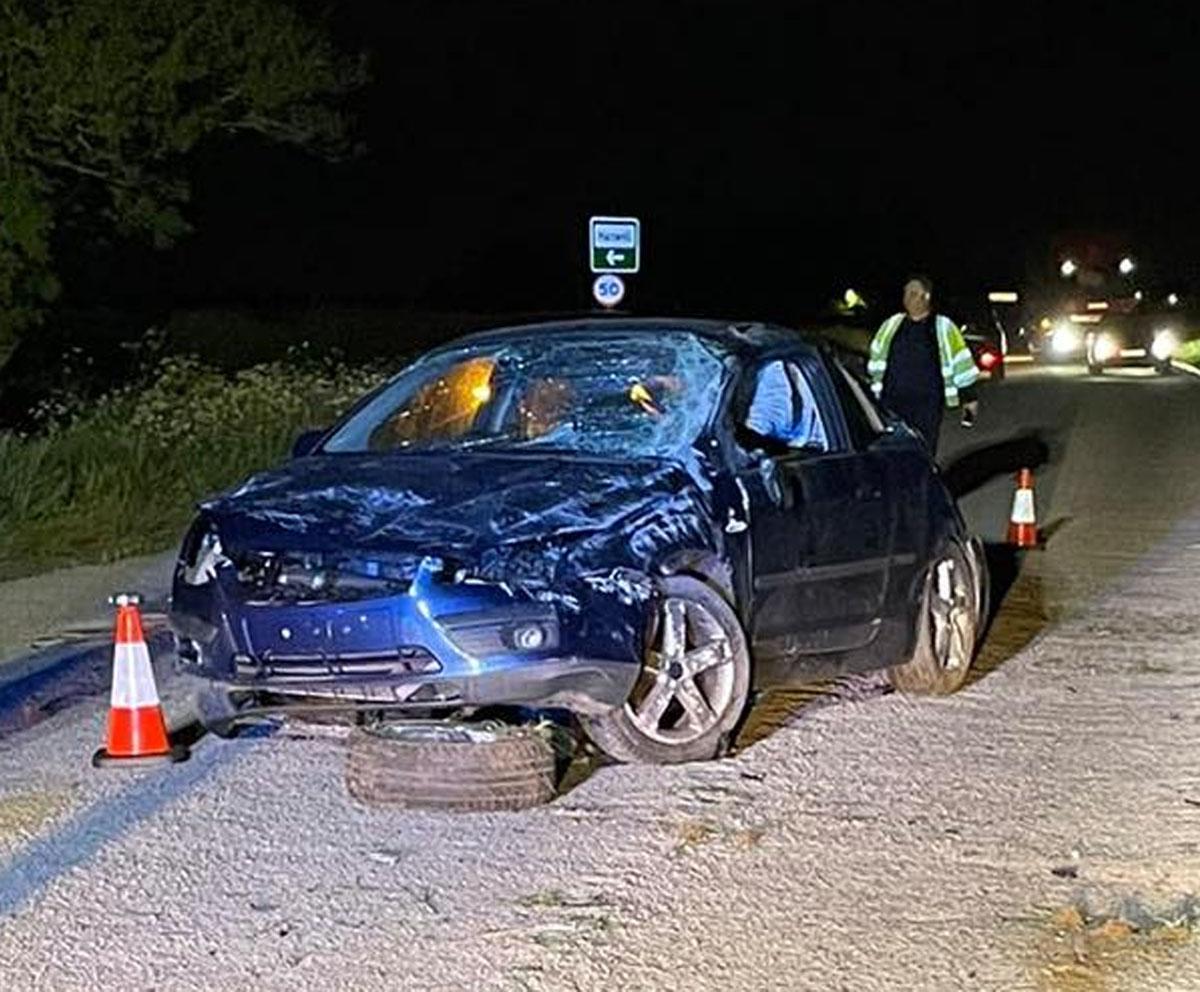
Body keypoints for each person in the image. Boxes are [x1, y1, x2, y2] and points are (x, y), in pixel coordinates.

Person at [867, 275, 979, 452]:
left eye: (913, 293)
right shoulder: (891, 324)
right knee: (892, 449)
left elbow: (962, 363)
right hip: (892, 401)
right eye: (906, 293)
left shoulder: (944, 327)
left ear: (926, 296)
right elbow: (875, 358)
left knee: (923, 449)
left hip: (926, 404)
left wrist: (970, 398)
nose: (907, 298)